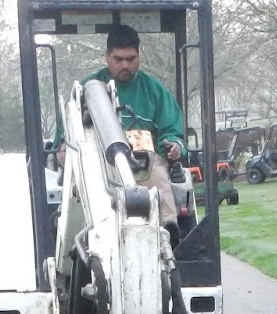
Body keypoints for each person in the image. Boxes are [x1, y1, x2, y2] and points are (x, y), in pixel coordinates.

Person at [56, 24, 185, 226]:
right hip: (99, 164)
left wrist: (175, 146)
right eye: (118, 59)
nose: (125, 65)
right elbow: (66, 135)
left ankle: (167, 228)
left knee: (159, 171)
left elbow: (172, 128)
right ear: (106, 56)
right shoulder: (87, 89)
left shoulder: (154, 90)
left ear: (138, 57)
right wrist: (63, 149)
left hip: (144, 162)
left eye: (131, 59)